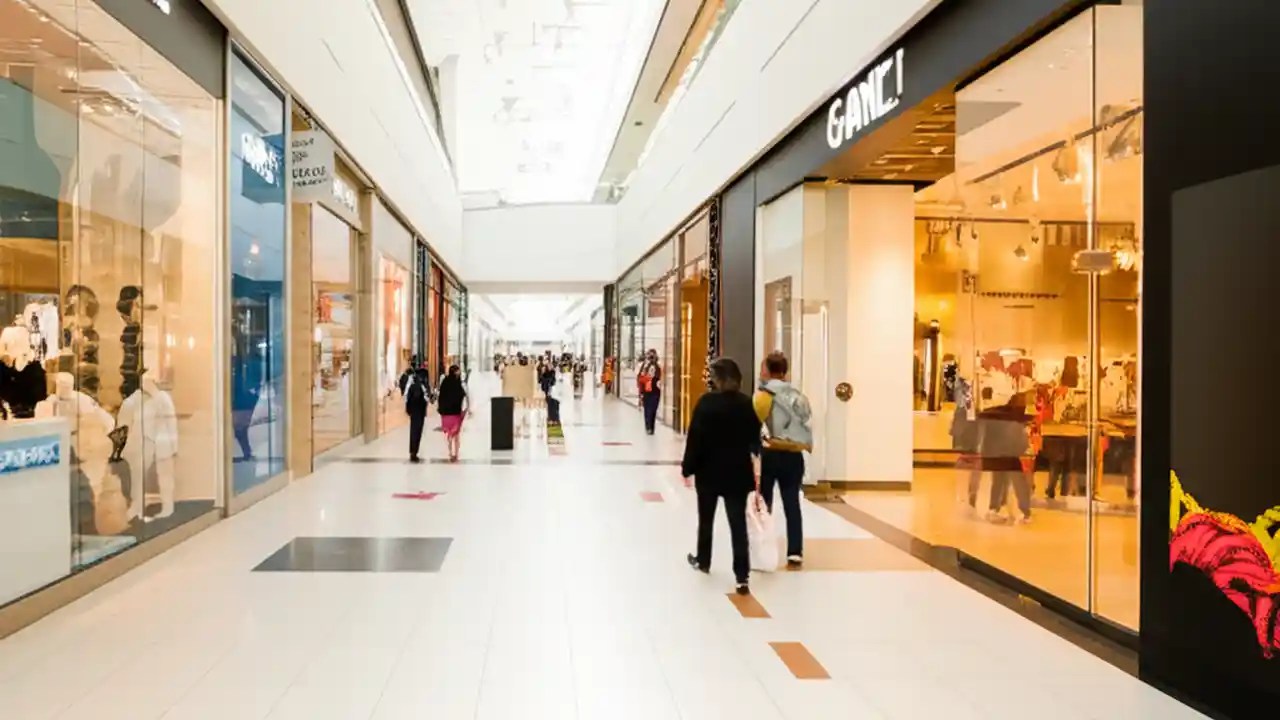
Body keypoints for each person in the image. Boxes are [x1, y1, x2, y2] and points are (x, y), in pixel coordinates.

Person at [682, 357, 761, 595]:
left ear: (717, 379)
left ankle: (703, 560)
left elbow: (695, 438)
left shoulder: (706, 403)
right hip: (737, 472)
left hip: (709, 472)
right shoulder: (746, 404)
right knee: (737, 524)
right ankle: (742, 575)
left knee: (706, 519)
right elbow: (754, 439)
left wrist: (688, 467)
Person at [753, 351, 812, 568]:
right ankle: (795, 551)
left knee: (764, 503)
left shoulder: (763, 396)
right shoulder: (798, 395)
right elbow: (806, 418)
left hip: (770, 453)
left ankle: (764, 547)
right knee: (792, 503)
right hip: (794, 456)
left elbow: (754, 423)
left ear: (768, 370)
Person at [437, 364, 468, 462]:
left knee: (450, 434)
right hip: (455, 413)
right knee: (457, 435)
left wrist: (441, 409)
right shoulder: (458, 383)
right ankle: (456, 454)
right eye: (458, 371)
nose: (459, 373)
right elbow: (463, 395)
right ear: (455, 372)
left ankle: (450, 453)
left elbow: (440, 397)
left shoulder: (445, 382)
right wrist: (466, 409)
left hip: (446, 413)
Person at [405, 367, 430, 463]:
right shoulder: (421, 387)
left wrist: (408, 410)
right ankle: (414, 452)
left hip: (414, 412)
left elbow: (407, 399)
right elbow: (425, 399)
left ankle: (413, 451)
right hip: (419, 412)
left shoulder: (412, 386)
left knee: (413, 431)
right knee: (417, 432)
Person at [637, 349, 662, 434]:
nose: (651, 358)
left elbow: (660, 378)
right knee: (647, 410)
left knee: (653, 410)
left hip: (655, 392)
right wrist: (641, 393)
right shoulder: (644, 366)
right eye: (650, 356)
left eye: (653, 356)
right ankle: (648, 427)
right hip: (646, 391)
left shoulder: (658, 367)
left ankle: (651, 427)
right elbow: (640, 379)